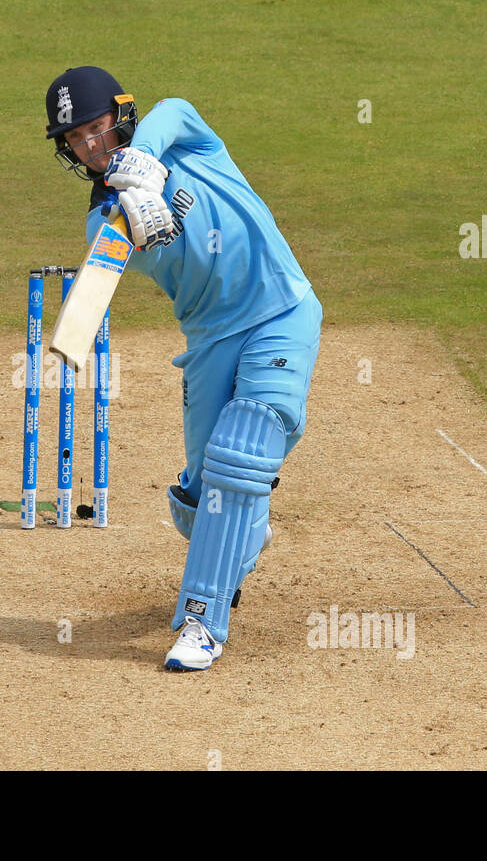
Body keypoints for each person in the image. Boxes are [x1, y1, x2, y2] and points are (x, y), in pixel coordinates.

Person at [44, 66, 323, 671]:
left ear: (120, 115)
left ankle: (202, 621)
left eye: (97, 128)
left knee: (241, 452)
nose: (91, 145)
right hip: (210, 343)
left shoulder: (187, 136)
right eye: (76, 139)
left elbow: (174, 108)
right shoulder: (103, 226)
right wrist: (133, 213)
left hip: (281, 310)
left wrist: (143, 165)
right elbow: (148, 246)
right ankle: (244, 525)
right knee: (205, 497)